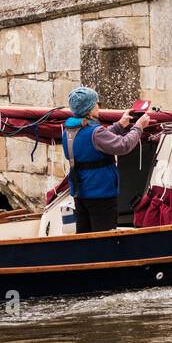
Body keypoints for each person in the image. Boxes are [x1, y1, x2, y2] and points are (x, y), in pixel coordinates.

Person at [61, 86, 151, 233]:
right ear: (89, 109)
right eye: (96, 103)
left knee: (84, 233)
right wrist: (138, 127)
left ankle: (87, 256)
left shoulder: (69, 131)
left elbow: (96, 140)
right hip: (100, 193)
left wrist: (120, 125)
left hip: (81, 192)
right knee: (104, 236)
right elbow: (124, 145)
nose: (98, 106)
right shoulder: (95, 133)